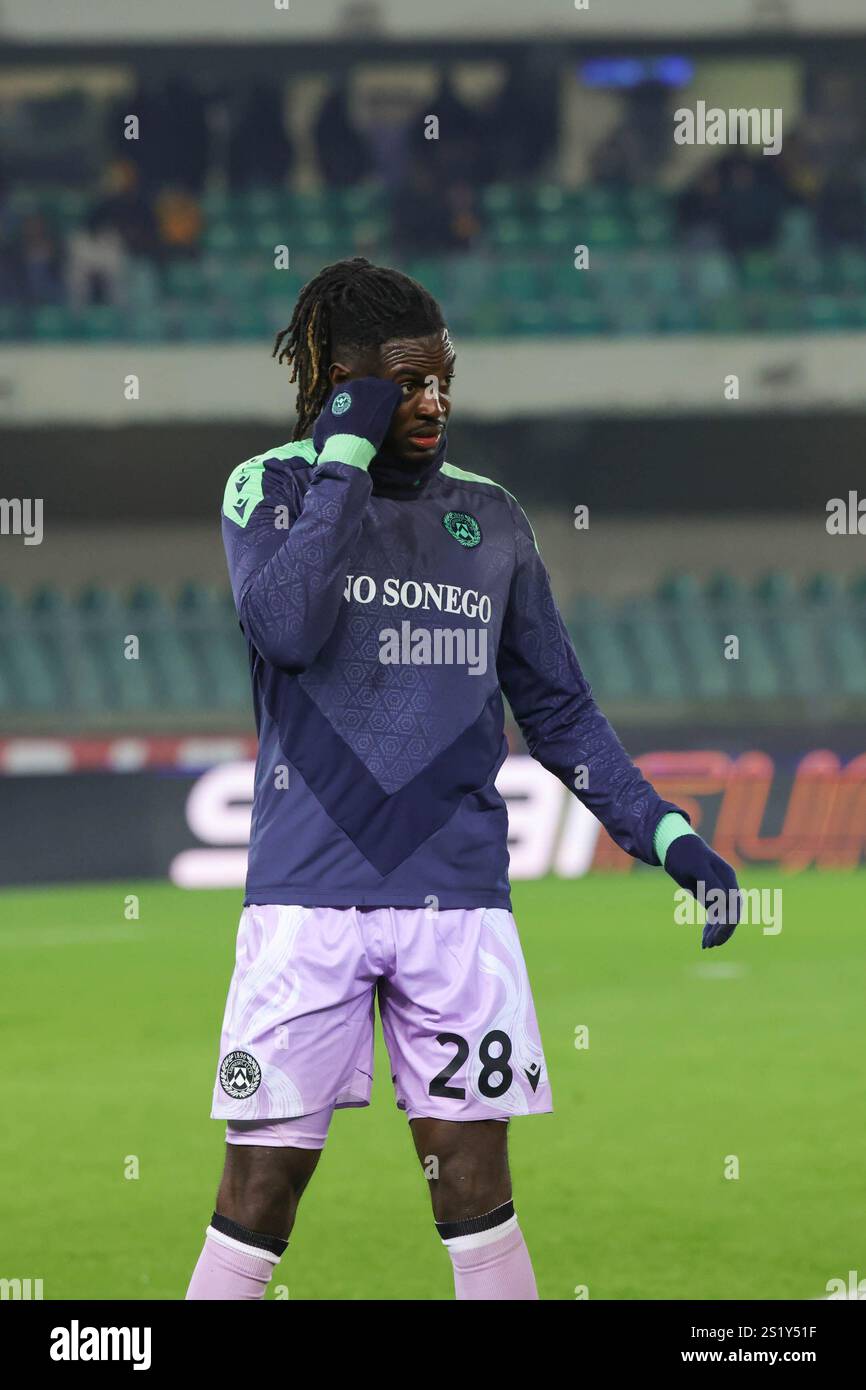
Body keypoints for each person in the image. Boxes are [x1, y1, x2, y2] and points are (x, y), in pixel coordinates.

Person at [186, 256, 739, 1302]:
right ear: (345, 381)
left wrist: (668, 837)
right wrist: (343, 453)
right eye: (408, 383)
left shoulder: (490, 520)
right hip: (306, 902)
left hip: (458, 903)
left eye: (444, 377)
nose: (434, 400)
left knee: (475, 1186)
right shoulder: (270, 487)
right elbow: (286, 629)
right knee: (259, 1188)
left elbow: (561, 710)